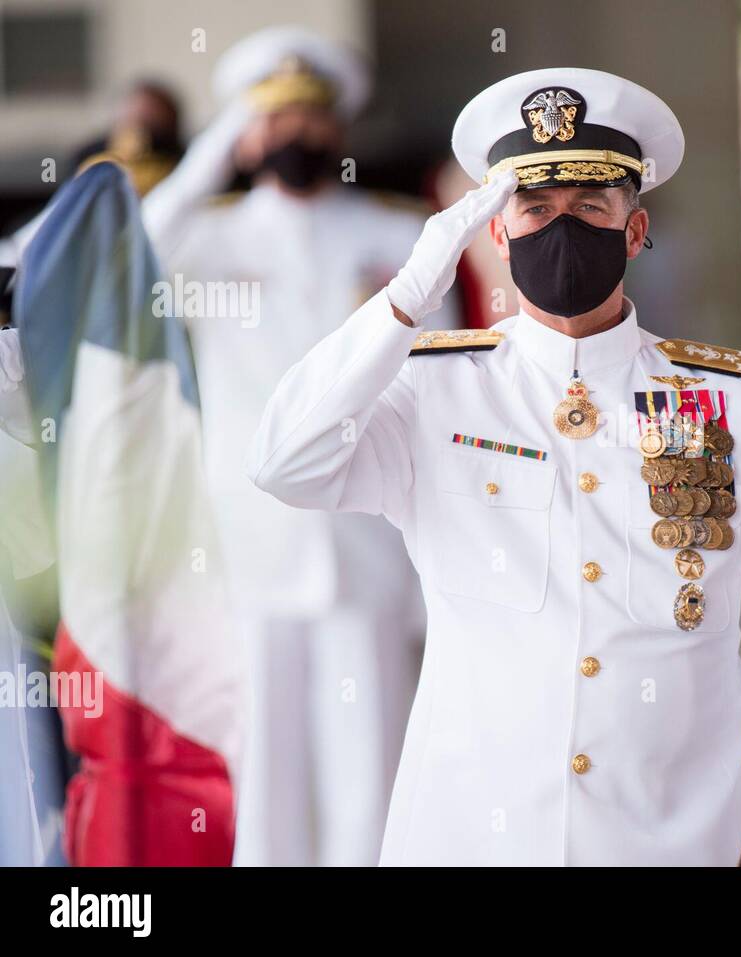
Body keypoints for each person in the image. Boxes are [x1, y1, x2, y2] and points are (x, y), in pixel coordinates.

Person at [247, 67, 741, 866]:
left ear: (633, 233)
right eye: (535, 209)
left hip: (669, 841)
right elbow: (285, 461)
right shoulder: (432, 389)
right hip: (469, 837)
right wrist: (404, 299)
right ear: (499, 232)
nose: (561, 228)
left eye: (591, 208)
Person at [143, 27, 453, 866]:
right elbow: (134, 246)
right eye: (274, 120)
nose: (297, 137)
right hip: (249, 545)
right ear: (247, 133)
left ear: (340, 131)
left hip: (370, 535)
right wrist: (213, 150)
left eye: (312, 120)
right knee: (263, 769)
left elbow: (437, 389)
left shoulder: (397, 236)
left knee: (372, 768)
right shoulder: (209, 236)